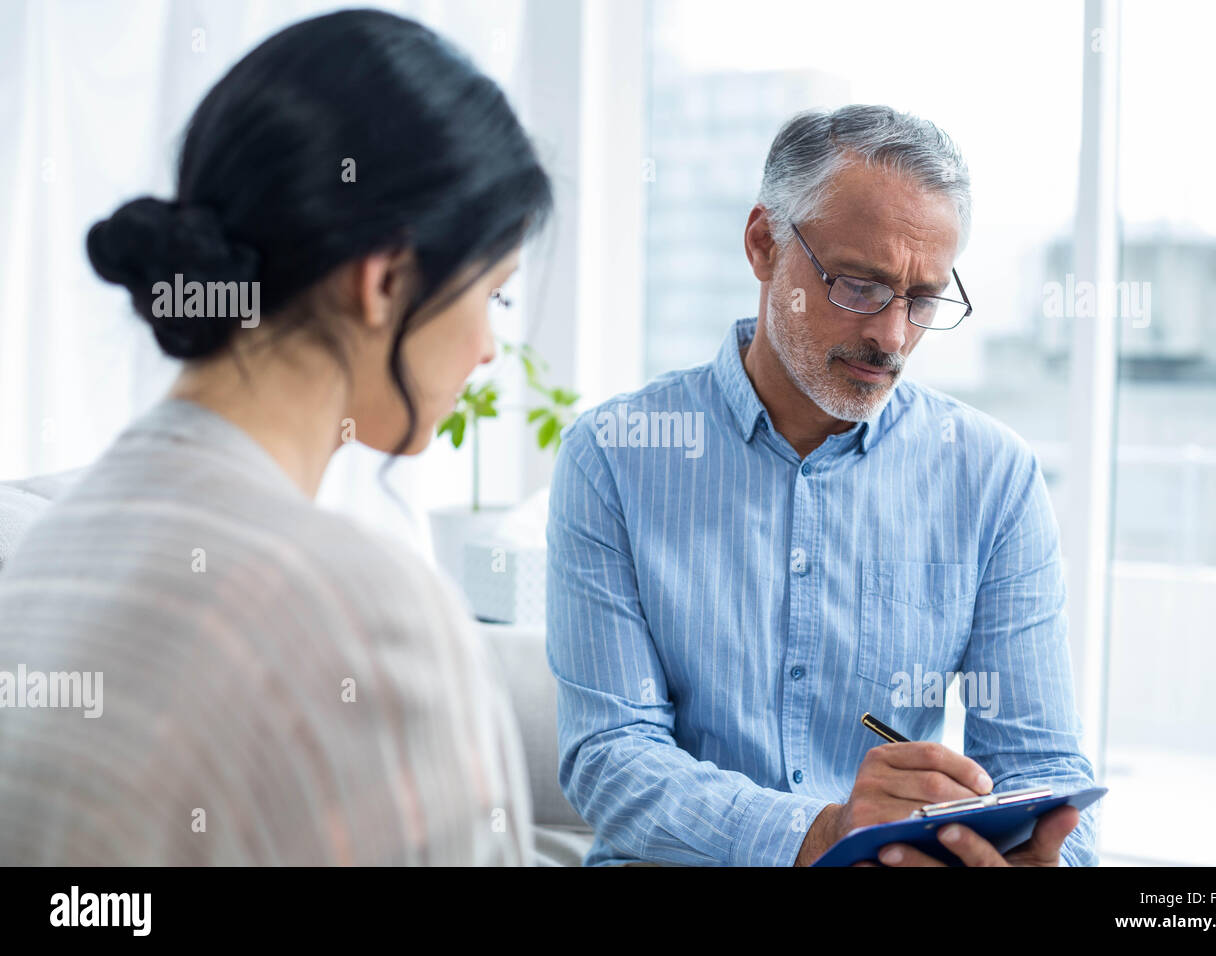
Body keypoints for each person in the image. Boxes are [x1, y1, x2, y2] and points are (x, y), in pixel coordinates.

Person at [0, 9, 551, 865]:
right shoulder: (368, 613)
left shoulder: (42, 558)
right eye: (495, 296)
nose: (487, 348)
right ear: (387, 279)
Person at [547, 105, 1098, 867]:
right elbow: (611, 757)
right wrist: (821, 835)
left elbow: (1044, 766)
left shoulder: (992, 476)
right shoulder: (612, 458)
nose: (892, 336)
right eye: (860, 286)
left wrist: (1046, 857)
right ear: (764, 245)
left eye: (923, 299)